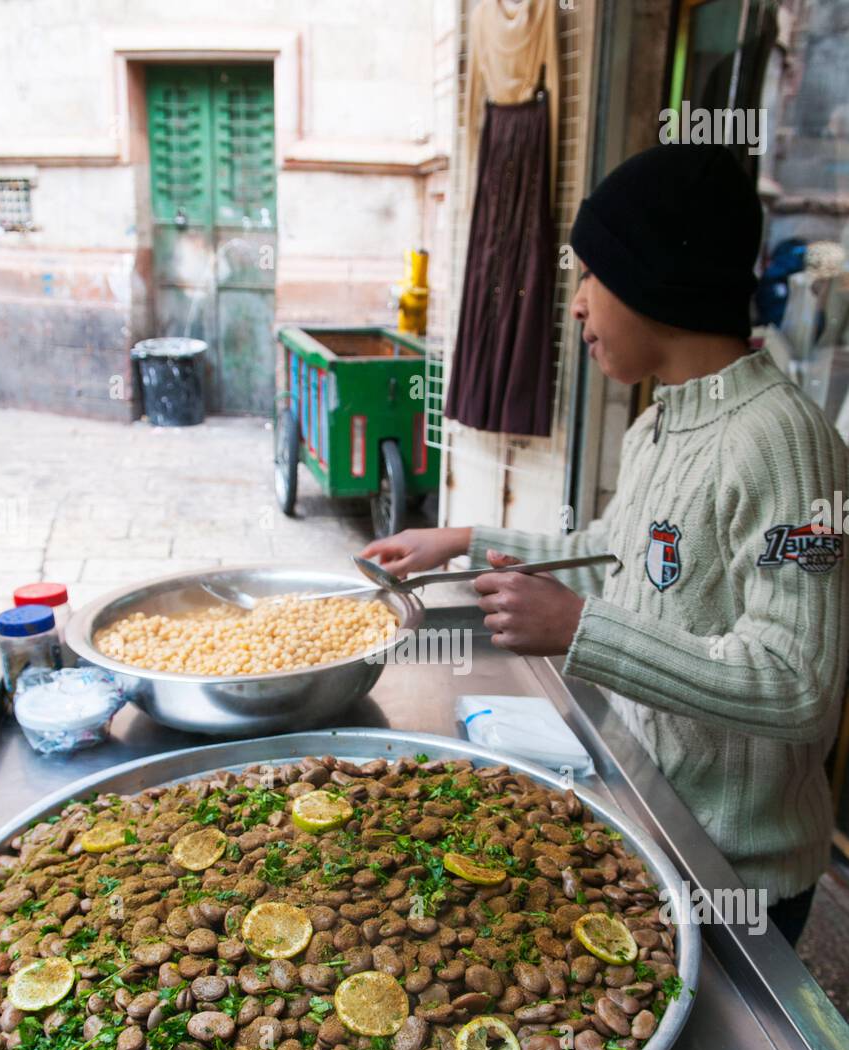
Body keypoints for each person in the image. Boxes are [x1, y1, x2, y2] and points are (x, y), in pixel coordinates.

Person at [361, 143, 849, 947]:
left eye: (590, 276)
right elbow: (614, 553)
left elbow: (798, 684)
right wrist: (463, 540)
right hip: (649, 811)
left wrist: (582, 630)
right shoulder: (660, 421)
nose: (578, 306)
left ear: (656, 277)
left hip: (735, 874)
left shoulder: (784, 445)